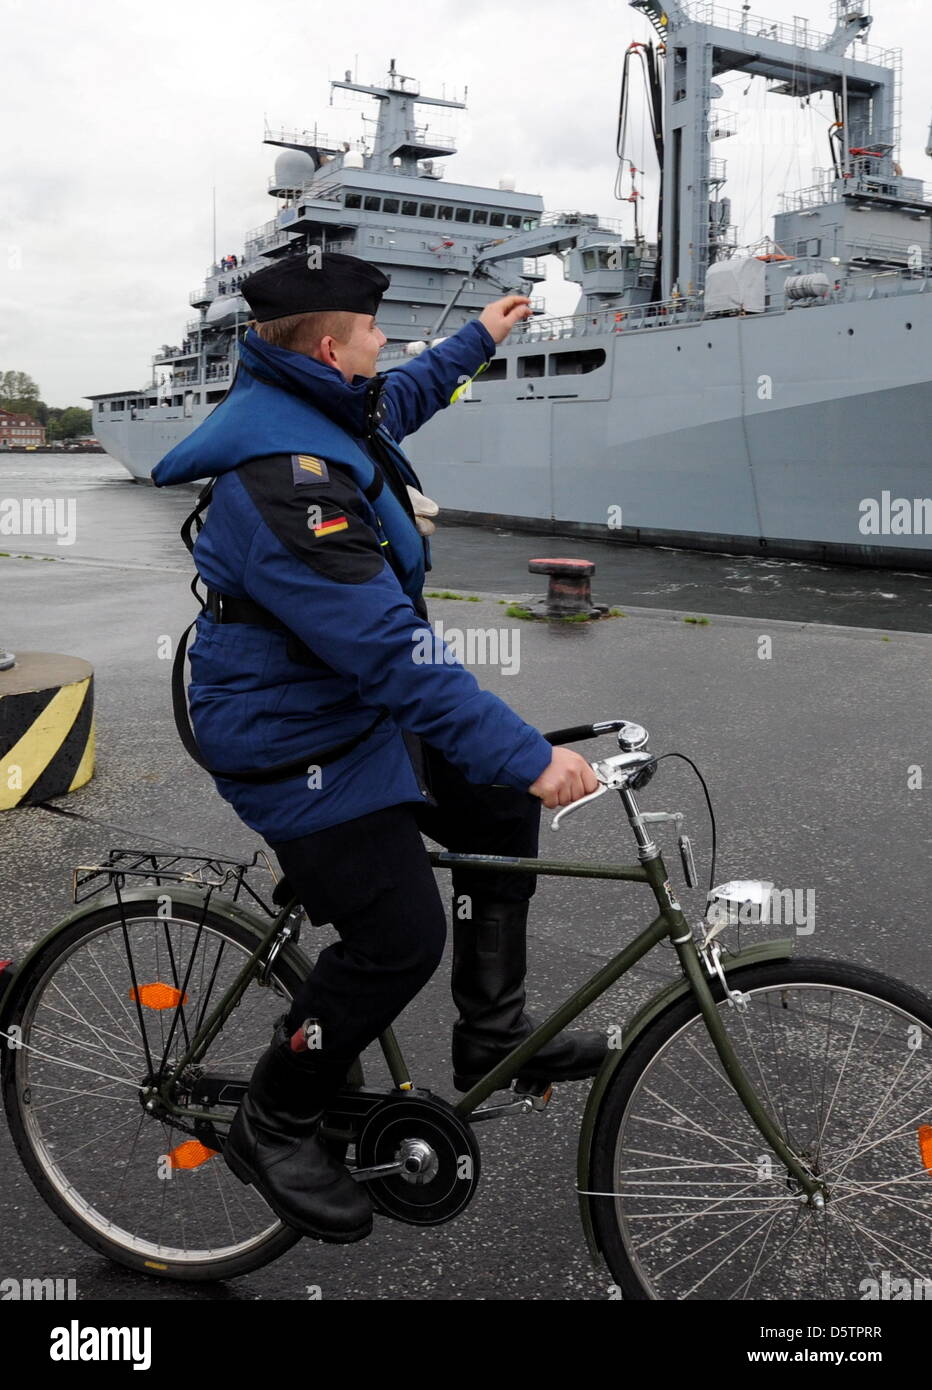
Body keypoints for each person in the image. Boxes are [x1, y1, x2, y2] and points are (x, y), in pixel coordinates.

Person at [151, 250, 605, 1246]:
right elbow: (395, 661)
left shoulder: (319, 402)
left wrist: (483, 335)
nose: (383, 345)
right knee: (397, 935)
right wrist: (529, 749)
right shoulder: (287, 481)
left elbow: (400, 393)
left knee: (491, 794)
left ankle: (496, 1031)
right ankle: (273, 1120)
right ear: (327, 345)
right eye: (370, 330)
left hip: (341, 706)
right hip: (287, 734)